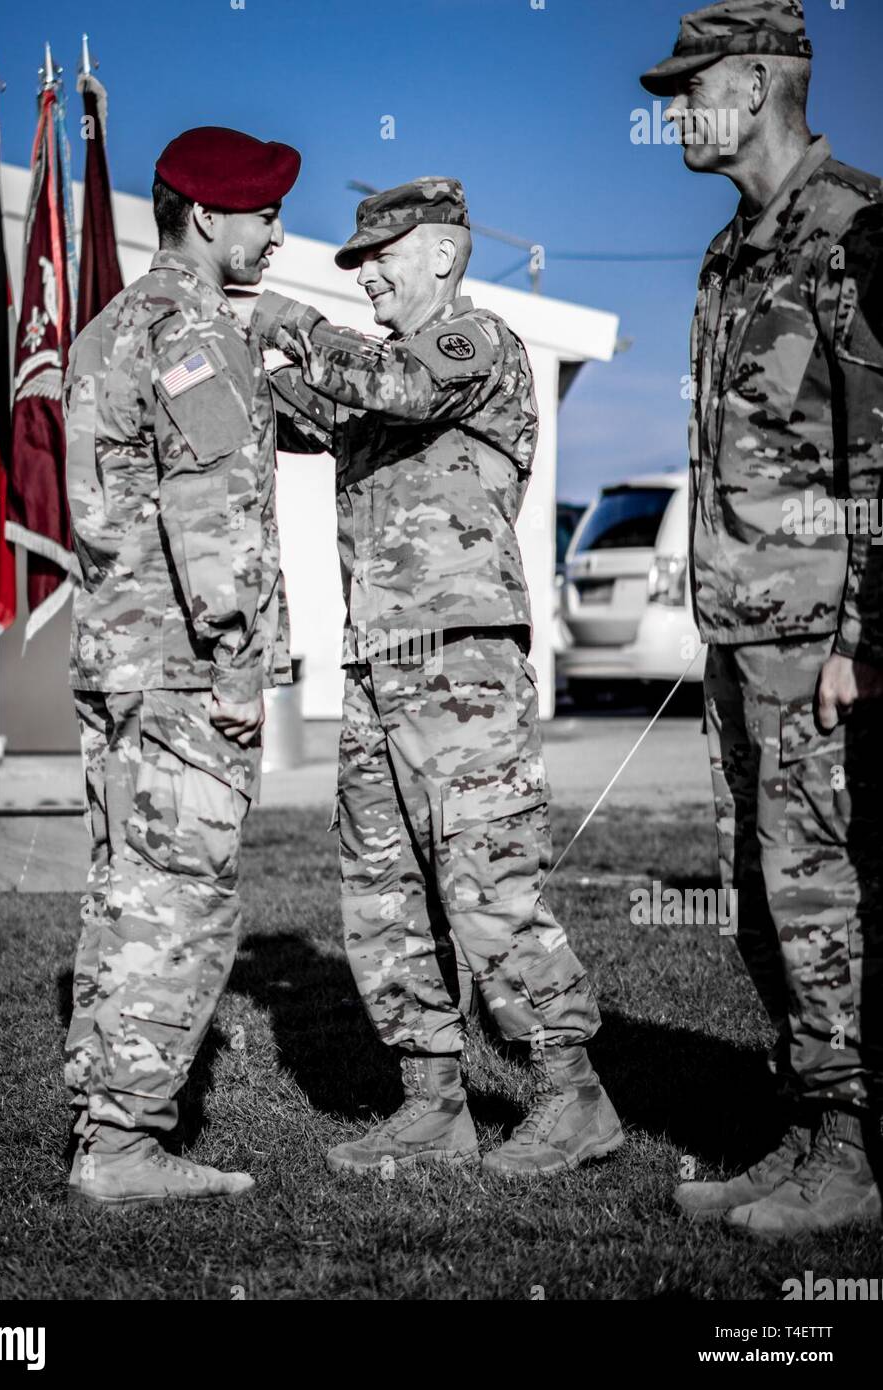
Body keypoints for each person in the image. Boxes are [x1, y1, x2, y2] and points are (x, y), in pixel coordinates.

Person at [253, 177, 623, 1178]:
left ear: (440, 254)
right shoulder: (367, 373)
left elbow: (394, 384)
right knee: (382, 889)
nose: (364, 274)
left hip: (462, 659)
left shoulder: (473, 344)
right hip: (377, 661)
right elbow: (272, 407)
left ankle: (568, 1094)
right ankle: (431, 1102)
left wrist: (296, 324)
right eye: (355, 263)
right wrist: (201, 341)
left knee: (485, 878)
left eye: (378, 256)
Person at [640, 0, 883, 1235]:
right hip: (742, 640)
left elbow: (878, 455)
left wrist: (863, 636)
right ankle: (803, 1126)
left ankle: (847, 1148)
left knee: (821, 888)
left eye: (688, 83)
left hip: (822, 645)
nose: (672, 107)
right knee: (760, 887)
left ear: (753, 78)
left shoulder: (855, 228)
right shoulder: (729, 251)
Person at [63, 125, 300, 1207]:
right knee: (182, 901)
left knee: (122, 897)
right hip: (181, 672)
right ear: (206, 216)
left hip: (120, 664)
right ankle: (123, 1147)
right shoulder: (193, 330)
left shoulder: (109, 325)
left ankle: (103, 1123)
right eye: (261, 214)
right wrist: (240, 663)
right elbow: (214, 517)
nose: (275, 233)